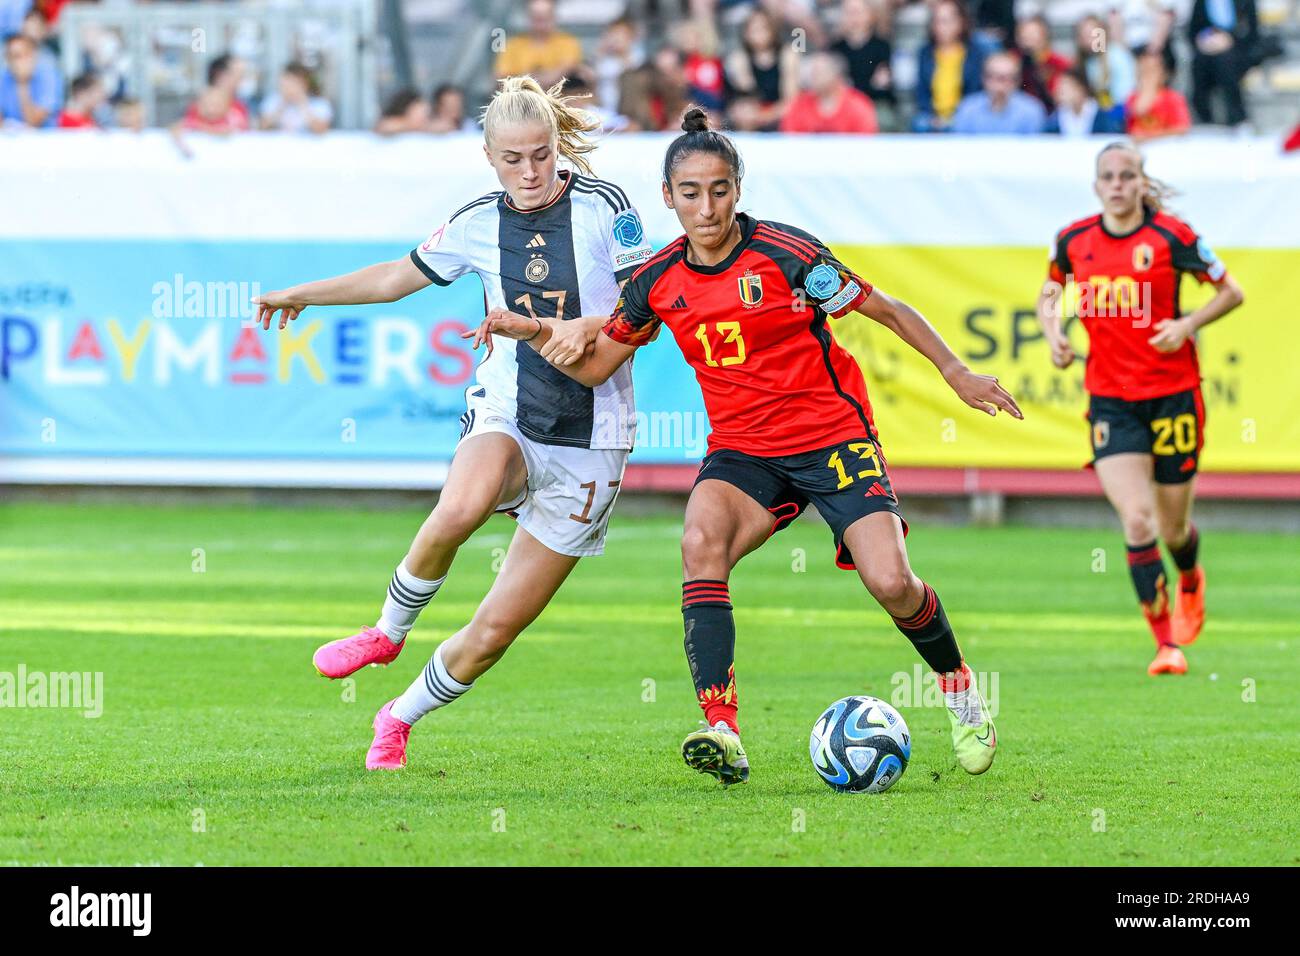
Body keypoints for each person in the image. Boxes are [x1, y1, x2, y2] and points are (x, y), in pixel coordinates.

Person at [473, 108, 1022, 785]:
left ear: (738, 189)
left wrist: (956, 371)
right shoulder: (656, 282)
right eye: (692, 193)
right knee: (700, 542)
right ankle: (722, 730)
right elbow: (596, 366)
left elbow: (886, 308)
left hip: (833, 439)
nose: (708, 208)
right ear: (668, 197)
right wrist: (531, 332)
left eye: (721, 189)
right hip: (744, 451)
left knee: (892, 582)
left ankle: (961, 691)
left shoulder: (787, 256)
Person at [251, 77, 655, 770]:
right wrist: (304, 295)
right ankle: (385, 632)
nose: (530, 172)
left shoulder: (606, 207)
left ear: (558, 147)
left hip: (594, 437)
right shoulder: (477, 222)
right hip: (509, 409)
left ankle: (397, 717)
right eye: (513, 159)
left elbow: (648, 303)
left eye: (541, 155)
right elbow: (392, 278)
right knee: (463, 501)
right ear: (489, 158)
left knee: (495, 630)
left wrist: (581, 327)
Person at [1037, 142, 1244, 676]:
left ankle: (1191, 579)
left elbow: (1231, 291)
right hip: (1111, 401)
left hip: (1174, 396)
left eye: (1127, 175)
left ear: (1140, 181)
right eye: (1108, 176)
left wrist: (1187, 324)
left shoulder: (1173, 237)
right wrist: (1054, 333)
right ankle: (1166, 644)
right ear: (1096, 185)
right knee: (1136, 519)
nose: (1118, 185)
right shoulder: (1074, 239)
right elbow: (1050, 291)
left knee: (1173, 529)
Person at [912, 0, 989, 132]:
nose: (941, 27)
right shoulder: (925, 53)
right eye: (937, 21)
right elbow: (922, 92)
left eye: (946, 21)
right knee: (919, 124)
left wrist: (956, 116)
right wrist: (933, 117)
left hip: (964, 115)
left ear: (961, 22)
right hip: (931, 117)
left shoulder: (975, 53)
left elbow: (975, 92)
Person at [724, 7, 798, 132]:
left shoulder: (787, 55)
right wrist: (753, 115)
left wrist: (766, 116)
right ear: (745, 33)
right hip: (751, 116)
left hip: (779, 114)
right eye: (753, 30)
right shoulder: (739, 59)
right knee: (744, 114)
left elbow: (791, 101)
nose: (758, 34)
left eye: (763, 28)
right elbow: (747, 96)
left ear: (772, 30)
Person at [1188, 0, 1258, 128]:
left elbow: (1252, 32)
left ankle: (1237, 117)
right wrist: (1205, 41)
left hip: (1238, 50)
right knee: (1199, 63)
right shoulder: (1201, 2)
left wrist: (1230, 40)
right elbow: (1193, 31)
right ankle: (1204, 118)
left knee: (1225, 63)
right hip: (1208, 49)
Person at [779, 51, 879, 134]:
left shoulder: (858, 106)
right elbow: (789, 139)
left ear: (836, 76)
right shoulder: (800, 105)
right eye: (811, 73)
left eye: (818, 72)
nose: (812, 77)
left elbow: (866, 144)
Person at [951, 51, 1047, 134]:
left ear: (1017, 81)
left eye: (1007, 78)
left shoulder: (1032, 110)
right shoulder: (967, 109)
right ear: (984, 78)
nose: (1000, 85)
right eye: (995, 77)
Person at [494, 0, 583, 89]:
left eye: (545, 18)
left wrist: (522, 79)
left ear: (554, 17)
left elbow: (561, 75)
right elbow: (501, 79)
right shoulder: (513, 45)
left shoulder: (567, 42)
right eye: (536, 19)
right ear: (528, 17)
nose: (541, 24)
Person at [830, 0, 895, 111]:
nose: (853, 18)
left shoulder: (882, 47)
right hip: (842, 108)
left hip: (875, 105)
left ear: (870, 15)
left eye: (858, 12)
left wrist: (850, 86)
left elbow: (882, 88)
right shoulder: (835, 49)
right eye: (848, 12)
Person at [1075, 14, 1137, 113]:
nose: (1089, 40)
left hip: (1119, 111)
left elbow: (1127, 93)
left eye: (1092, 34)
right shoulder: (1087, 61)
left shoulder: (1118, 55)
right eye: (1084, 35)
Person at [1126, 50, 1191, 139]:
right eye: (1143, 70)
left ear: (1164, 74)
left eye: (1151, 70)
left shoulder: (1173, 98)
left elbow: (1181, 128)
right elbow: (1134, 119)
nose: (1146, 74)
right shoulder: (1132, 98)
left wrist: (1149, 137)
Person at [0, 31, 60, 127]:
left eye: (18, 56)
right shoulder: (3, 76)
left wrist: (22, 82)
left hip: (42, 138)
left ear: (32, 55)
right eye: (10, 56)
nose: (14, 62)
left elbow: (33, 122)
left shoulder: (48, 76)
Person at [178, 53, 249, 133]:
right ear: (220, 75)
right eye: (238, 75)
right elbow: (185, 128)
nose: (241, 81)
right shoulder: (199, 105)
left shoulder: (240, 107)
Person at [1015, 12, 1073, 108]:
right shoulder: (1014, 62)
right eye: (1023, 35)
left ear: (1044, 36)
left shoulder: (1059, 63)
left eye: (1032, 35)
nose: (1027, 39)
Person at [1046, 69, 1125, 136]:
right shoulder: (1055, 119)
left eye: (1066, 87)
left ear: (1081, 88)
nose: (1060, 92)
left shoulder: (1103, 117)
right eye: (1059, 88)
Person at [258, 62, 332, 133]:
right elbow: (262, 127)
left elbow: (321, 130)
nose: (289, 87)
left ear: (304, 84)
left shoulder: (319, 103)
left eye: (293, 83)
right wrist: (281, 105)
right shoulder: (272, 100)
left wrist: (303, 104)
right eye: (285, 83)